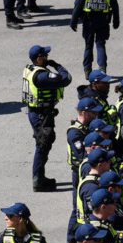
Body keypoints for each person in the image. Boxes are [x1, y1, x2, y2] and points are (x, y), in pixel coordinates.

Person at [22, 44, 73, 191]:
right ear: (38, 58)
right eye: (45, 55)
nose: (47, 57)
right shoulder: (42, 76)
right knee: (42, 145)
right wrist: (57, 65)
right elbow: (66, 79)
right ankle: (38, 180)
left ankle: (40, 177)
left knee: (45, 142)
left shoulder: (30, 69)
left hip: (38, 112)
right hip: (41, 115)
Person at [71, 0, 121, 77]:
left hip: (89, 21)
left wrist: (73, 22)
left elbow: (77, 5)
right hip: (103, 20)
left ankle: (87, 70)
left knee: (88, 46)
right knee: (100, 45)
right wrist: (116, 21)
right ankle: (102, 69)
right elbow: (115, 5)